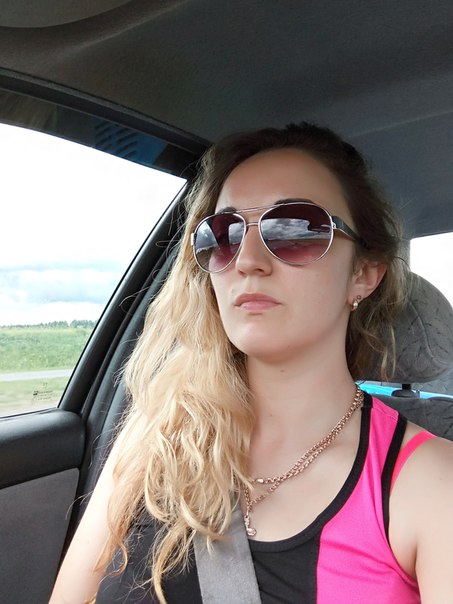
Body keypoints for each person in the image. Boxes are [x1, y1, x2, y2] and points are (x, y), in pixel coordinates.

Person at [50, 123, 453, 603]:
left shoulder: (430, 484)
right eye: (223, 235)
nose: (247, 260)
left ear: (363, 274)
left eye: (296, 229)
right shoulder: (157, 437)